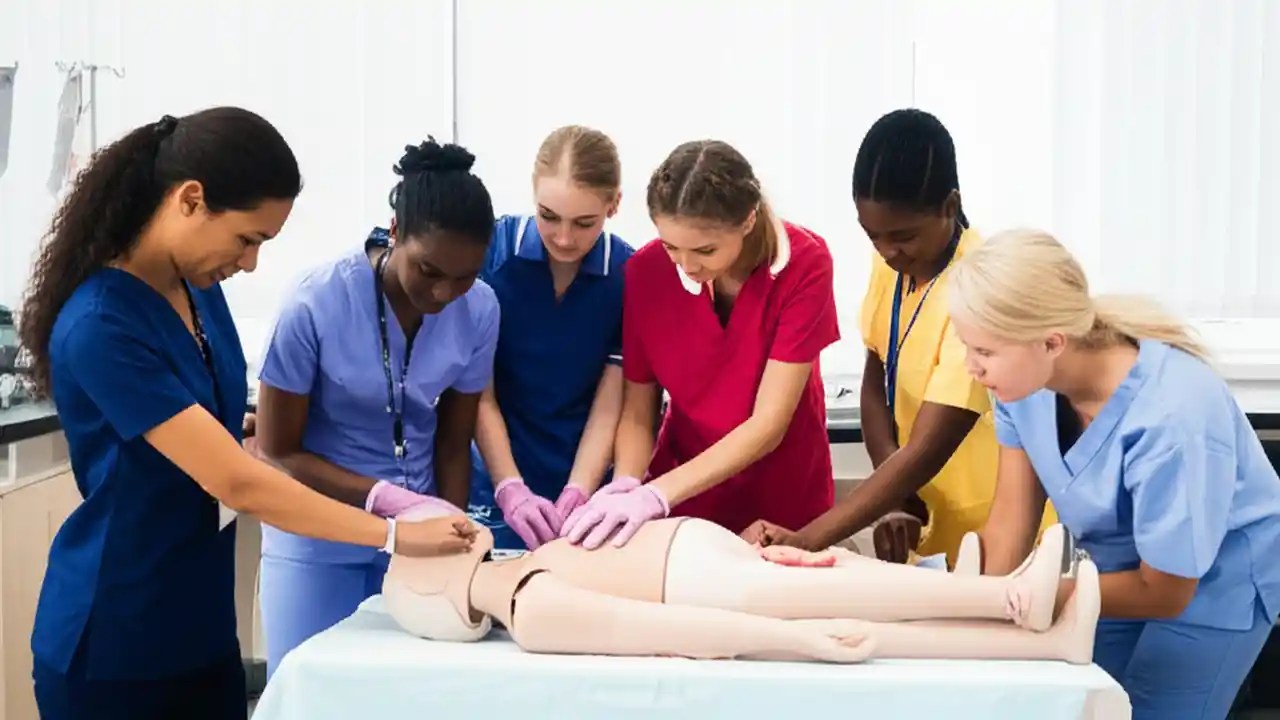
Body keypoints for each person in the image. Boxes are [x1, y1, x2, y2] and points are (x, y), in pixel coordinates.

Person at [18, 108, 476, 720]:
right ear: (190, 199)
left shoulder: (199, 292)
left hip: (201, 629)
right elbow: (232, 480)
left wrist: (240, 428)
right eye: (247, 239)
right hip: (116, 638)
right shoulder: (103, 324)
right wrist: (395, 533)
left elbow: (201, 424)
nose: (252, 263)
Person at [946, 228, 1280, 720]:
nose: (970, 367)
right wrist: (977, 612)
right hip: (1117, 568)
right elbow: (1009, 525)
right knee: (1076, 703)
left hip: (1213, 582)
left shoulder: (1172, 416)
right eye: (968, 347)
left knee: (1148, 711)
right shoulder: (1021, 385)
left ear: (1052, 341)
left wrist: (1029, 596)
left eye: (984, 352)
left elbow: (1167, 591)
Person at [743, 108, 1054, 564]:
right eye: (873, 236)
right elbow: (876, 374)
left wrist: (808, 540)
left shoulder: (980, 287)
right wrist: (893, 498)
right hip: (919, 518)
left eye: (904, 236)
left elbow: (930, 447)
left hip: (994, 523)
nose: (888, 251)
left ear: (950, 205)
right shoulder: (894, 263)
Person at [253, 137, 499, 677]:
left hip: (418, 539)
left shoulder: (480, 308)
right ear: (394, 233)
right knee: (313, 694)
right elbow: (277, 451)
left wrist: (450, 526)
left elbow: (454, 443)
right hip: (316, 535)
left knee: (406, 696)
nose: (443, 293)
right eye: (429, 270)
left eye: (465, 276)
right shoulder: (314, 301)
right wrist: (383, 499)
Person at [385, 500, 1100, 665]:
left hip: (708, 560)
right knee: (845, 611)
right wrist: (788, 640)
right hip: (701, 589)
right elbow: (662, 632)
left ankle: (1008, 608)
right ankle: (1010, 605)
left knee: (837, 574)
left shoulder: (527, 562)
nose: (457, 529)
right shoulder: (529, 606)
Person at [558, 140, 840, 550]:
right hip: (686, 498)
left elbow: (768, 424)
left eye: (705, 250)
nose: (687, 267)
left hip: (782, 498)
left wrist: (656, 494)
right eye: (672, 246)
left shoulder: (804, 265)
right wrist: (628, 484)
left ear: (747, 220)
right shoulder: (647, 272)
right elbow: (639, 408)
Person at [468, 126, 634, 550]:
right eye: (549, 216)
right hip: (491, 484)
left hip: (591, 487)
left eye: (584, 223)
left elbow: (610, 402)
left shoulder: (627, 275)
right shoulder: (491, 253)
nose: (563, 237)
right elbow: (476, 391)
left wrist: (580, 490)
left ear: (613, 204)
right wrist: (509, 487)